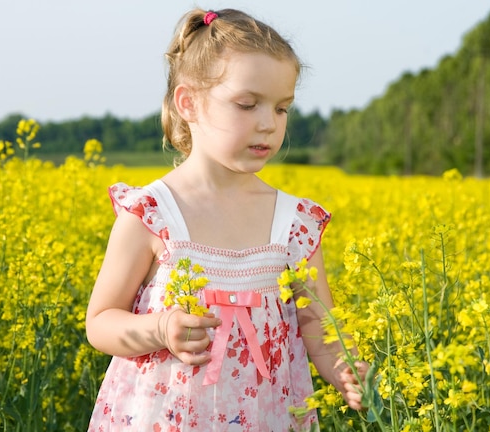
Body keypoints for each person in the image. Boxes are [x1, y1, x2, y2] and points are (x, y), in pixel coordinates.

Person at [86, 8, 368, 431]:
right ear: (189, 103)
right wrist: (161, 328)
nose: (268, 124)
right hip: (162, 419)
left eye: (281, 109)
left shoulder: (294, 225)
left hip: (266, 418)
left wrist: (344, 371)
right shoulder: (150, 214)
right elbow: (101, 322)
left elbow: (319, 329)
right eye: (247, 104)